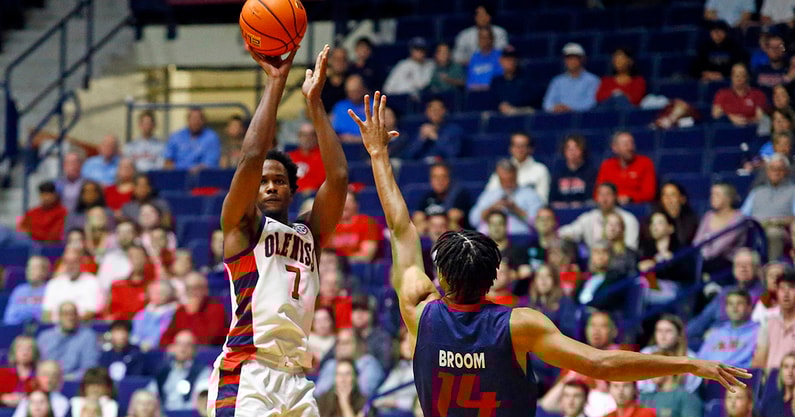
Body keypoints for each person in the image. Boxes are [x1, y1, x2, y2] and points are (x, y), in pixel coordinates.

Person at [350, 91, 750, 417]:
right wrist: (690, 363)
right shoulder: (518, 324)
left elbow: (401, 227)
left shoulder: (418, 312)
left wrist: (378, 155)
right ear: (494, 277)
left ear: (444, 278)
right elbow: (601, 365)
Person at [206, 45, 349, 417]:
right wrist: (275, 81)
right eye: (264, 181)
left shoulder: (309, 233)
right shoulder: (243, 227)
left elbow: (337, 178)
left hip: (297, 380)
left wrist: (315, 103)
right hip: (248, 372)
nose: (270, 186)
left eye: (280, 180)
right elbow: (252, 157)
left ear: (291, 189)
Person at [469, 158, 544, 235]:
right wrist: (491, 208)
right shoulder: (489, 195)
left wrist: (516, 209)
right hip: (489, 239)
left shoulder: (530, 194)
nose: (507, 184)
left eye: (510, 179)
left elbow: (540, 223)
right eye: (503, 180)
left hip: (519, 238)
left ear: (516, 175)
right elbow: (473, 221)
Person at [559, 182, 640, 250]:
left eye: (608, 194)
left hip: (620, 261)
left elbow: (631, 247)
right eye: (601, 194)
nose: (604, 199)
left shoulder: (628, 219)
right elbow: (569, 231)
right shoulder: (588, 218)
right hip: (594, 263)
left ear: (615, 197)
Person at [148, 330, 211, 411]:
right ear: (173, 347)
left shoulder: (203, 371)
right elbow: (151, 392)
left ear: (194, 349)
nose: (183, 348)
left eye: (187, 345)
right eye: (179, 344)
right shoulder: (164, 369)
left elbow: (201, 401)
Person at [37, 302, 100, 381]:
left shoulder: (88, 336)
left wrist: (68, 378)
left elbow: (90, 367)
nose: (70, 318)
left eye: (73, 314)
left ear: (78, 316)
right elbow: (39, 364)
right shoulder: (45, 337)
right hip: (48, 381)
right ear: (59, 316)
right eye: (66, 314)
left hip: (75, 382)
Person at [697, 289, 759, 369]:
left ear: (749, 307)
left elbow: (757, 365)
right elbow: (700, 361)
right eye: (730, 304)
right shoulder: (716, 333)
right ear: (726, 308)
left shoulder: (758, 331)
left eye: (739, 303)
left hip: (740, 378)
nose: (734, 308)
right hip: (711, 378)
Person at [485, 132, 551, 203]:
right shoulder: (502, 168)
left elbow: (542, 200)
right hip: (503, 211)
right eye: (516, 146)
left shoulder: (540, 170)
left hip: (529, 211)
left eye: (523, 146)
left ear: (530, 149)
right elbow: (489, 196)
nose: (519, 150)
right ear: (510, 148)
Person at [595, 131, 657, 205]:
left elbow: (649, 194)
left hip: (636, 206)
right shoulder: (607, 165)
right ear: (615, 148)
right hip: (611, 207)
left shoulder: (645, 163)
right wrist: (614, 199)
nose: (630, 147)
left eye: (631, 143)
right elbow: (597, 193)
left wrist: (630, 198)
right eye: (625, 144)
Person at [752, 267, 795, 370]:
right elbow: (758, 362)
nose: (786, 293)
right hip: (770, 382)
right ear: (776, 292)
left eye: (791, 288)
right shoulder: (768, 323)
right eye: (781, 288)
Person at [542, 43, 600, 113]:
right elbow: (547, 103)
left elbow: (591, 102)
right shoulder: (557, 81)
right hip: (558, 117)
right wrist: (555, 108)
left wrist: (570, 108)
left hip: (581, 118)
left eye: (574, 58)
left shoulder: (593, 80)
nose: (571, 61)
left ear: (582, 59)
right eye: (568, 58)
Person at [712, 63, 769, 127]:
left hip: (750, 131)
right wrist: (730, 118)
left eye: (742, 74)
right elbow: (715, 114)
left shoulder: (758, 94)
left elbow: (760, 118)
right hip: (728, 130)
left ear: (747, 77)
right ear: (731, 77)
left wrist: (745, 121)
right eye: (736, 75)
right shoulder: (722, 94)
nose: (739, 77)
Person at [550, 134, 598, 208]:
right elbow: (552, 199)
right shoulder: (558, 174)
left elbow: (591, 198)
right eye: (569, 149)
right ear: (564, 152)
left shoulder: (591, 173)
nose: (572, 152)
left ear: (582, 151)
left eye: (576, 148)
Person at [3, 256, 49, 325]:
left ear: (44, 271)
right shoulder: (19, 290)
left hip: (41, 329)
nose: (30, 270)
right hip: (17, 329)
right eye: (29, 267)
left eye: (35, 268)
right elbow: (9, 318)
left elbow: (48, 317)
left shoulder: (50, 289)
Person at [491, 46, 532, 115]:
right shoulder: (496, 82)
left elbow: (531, 101)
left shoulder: (525, 80)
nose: (511, 62)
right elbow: (492, 101)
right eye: (507, 59)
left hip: (520, 115)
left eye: (513, 59)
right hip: (500, 116)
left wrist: (513, 108)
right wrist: (501, 106)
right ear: (501, 61)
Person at [287, 123, 325, 195]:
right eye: (304, 135)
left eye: (311, 135)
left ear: (316, 137)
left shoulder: (324, 158)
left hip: (313, 196)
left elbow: (322, 182)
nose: (307, 138)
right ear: (299, 137)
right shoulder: (289, 157)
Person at [0, 335, 38, 407]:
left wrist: (26, 400)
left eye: (29, 349)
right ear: (14, 352)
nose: (25, 352)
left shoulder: (40, 375)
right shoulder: (2, 372)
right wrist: (2, 398)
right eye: (20, 348)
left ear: (35, 353)